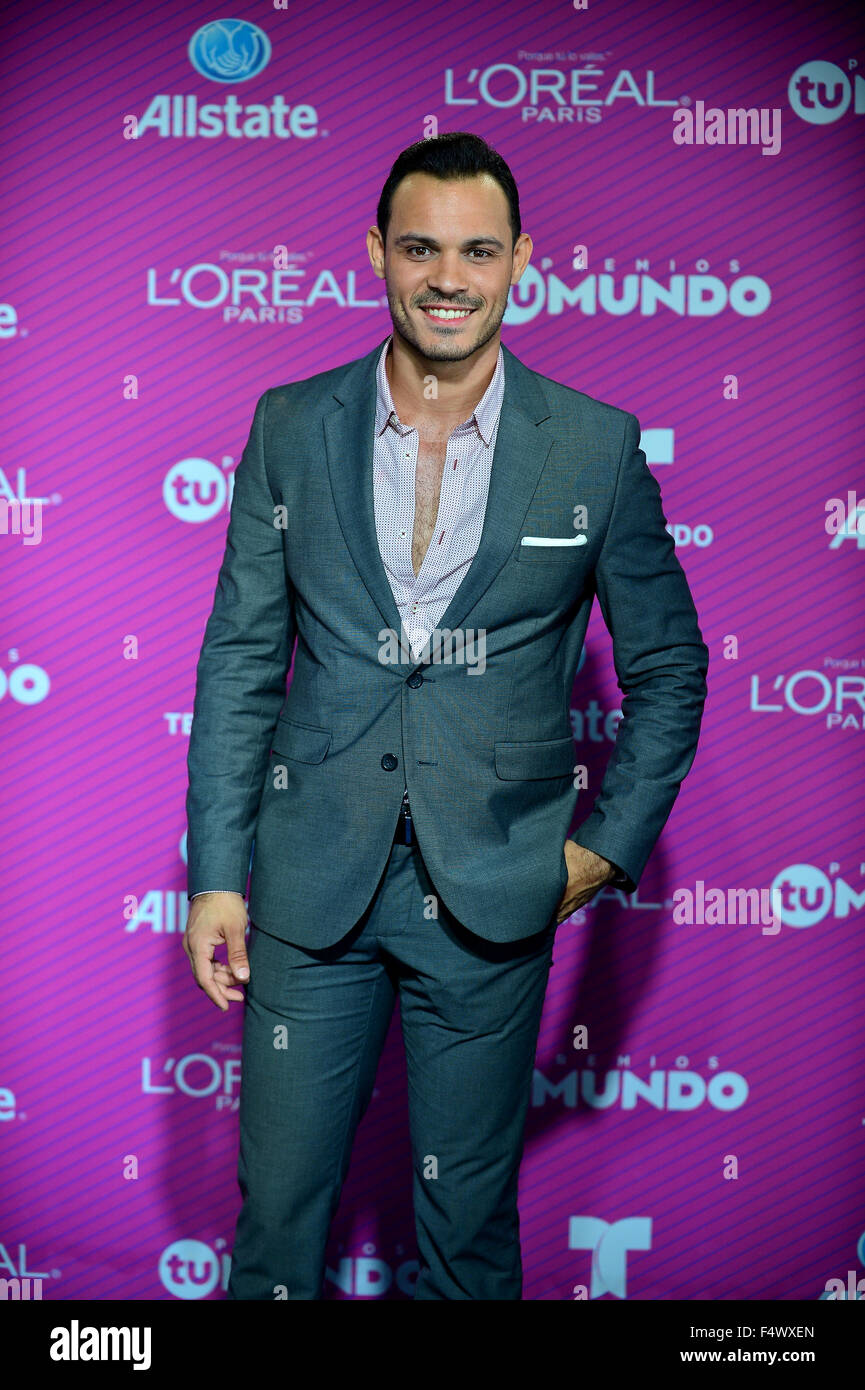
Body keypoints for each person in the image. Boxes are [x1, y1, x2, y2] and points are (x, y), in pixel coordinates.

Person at [183, 131, 709, 1300]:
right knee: (276, 1218)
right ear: (376, 253)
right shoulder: (290, 426)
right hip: (314, 881)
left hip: (490, 890)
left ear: (522, 260)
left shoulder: (593, 444)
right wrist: (218, 872)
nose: (448, 277)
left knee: (465, 1233)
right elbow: (241, 657)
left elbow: (670, 667)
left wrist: (602, 847)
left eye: (477, 250)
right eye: (420, 247)